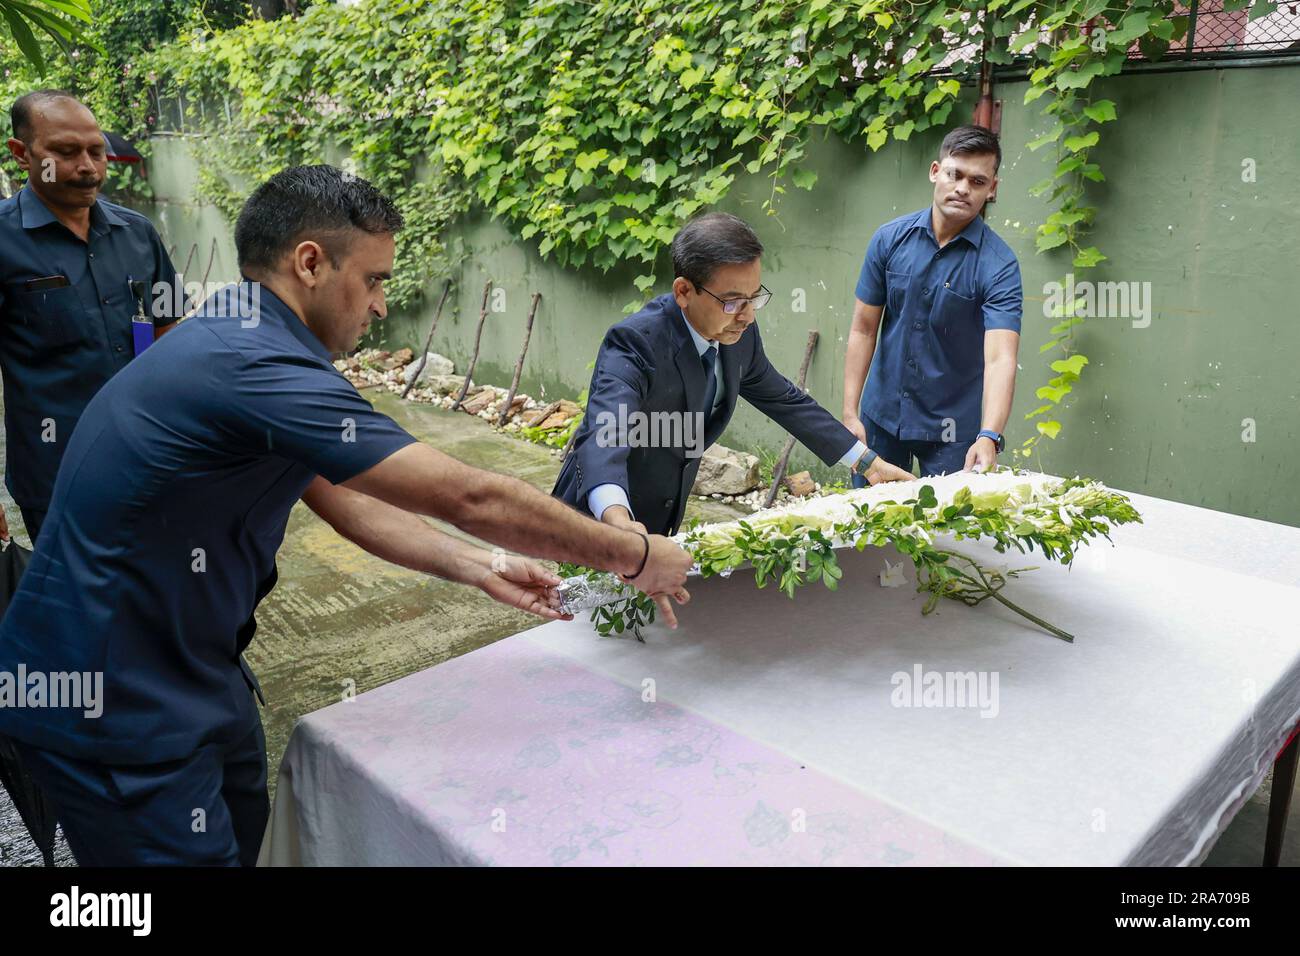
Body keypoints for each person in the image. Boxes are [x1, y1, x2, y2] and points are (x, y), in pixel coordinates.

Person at [0, 165, 692, 866]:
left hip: (196, 668)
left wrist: (479, 565)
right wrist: (630, 555)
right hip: (113, 699)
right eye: (375, 279)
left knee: (249, 845)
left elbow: (347, 499)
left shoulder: (245, 333)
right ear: (309, 262)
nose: (382, 305)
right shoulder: (255, 365)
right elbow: (468, 495)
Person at [553, 212, 911, 620]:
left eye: (755, 297)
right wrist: (618, 523)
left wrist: (869, 463)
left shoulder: (738, 337)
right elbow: (606, 435)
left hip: (660, 519)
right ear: (684, 290)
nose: (747, 314)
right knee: (580, 630)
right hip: (597, 520)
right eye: (732, 301)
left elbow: (785, 400)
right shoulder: (635, 343)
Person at [0, 90, 183, 543]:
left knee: (165, 594)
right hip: (57, 476)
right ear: (22, 155)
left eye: (96, 150)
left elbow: (167, 333)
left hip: (151, 459)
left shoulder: (138, 234)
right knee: (80, 607)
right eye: (65, 152)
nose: (88, 167)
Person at [841, 125, 1022, 480]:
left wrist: (989, 435)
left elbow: (1001, 357)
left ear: (992, 189)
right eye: (955, 174)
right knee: (868, 526)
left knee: (945, 534)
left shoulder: (999, 265)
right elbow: (863, 329)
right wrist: (850, 412)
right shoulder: (889, 240)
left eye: (977, 181)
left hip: (952, 432)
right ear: (935, 171)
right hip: (881, 417)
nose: (962, 188)